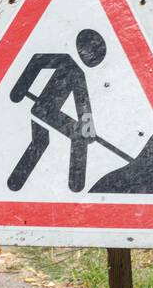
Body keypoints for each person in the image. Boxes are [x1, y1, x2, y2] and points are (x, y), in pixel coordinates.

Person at [6, 29, 106, 192]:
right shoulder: (68, 64)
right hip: (46, 110)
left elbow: (83, 104)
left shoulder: (75, 70)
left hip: (43, 110)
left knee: (40, 142)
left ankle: (15, 182)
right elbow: (37, 62)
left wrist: (18, 91)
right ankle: (76, 184)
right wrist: (18, 90)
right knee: (78, 138)